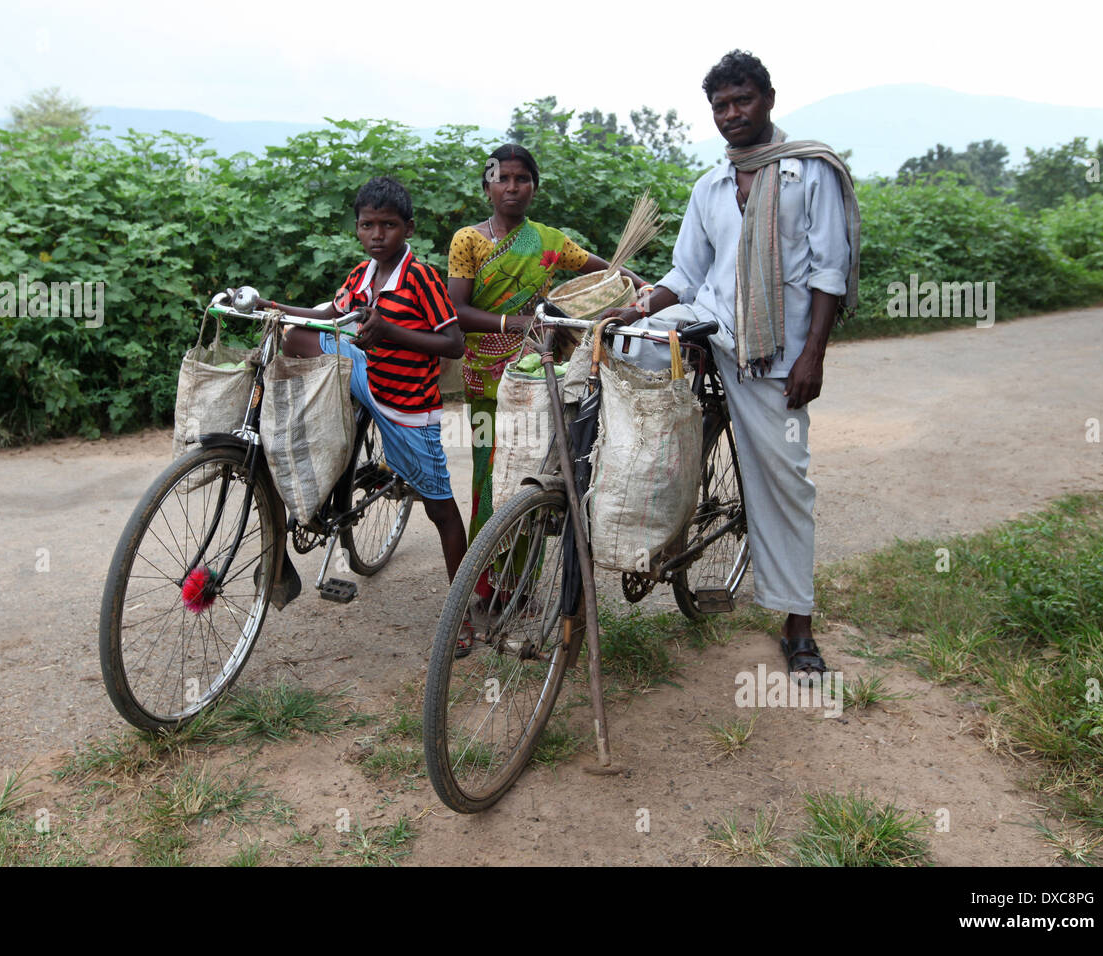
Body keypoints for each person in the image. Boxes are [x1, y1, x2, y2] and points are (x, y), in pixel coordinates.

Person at [608, 50, 860, 681]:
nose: (730, 115)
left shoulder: (809, 171)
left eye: (741, 100)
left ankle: (797, 624)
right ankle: (636, 517)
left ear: (768, 99)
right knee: (619, 358)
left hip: (776, 353)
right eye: (720, 105)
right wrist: (640, 305)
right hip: (713, 326)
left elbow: (830, 270)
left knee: (784, 483)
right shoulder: (711, 186)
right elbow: (687, 273)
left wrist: (813, 355)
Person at [447, 143, 645, 551]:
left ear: (535, 188)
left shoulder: (549, 241)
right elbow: (458, 311)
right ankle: (484, 580)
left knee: (528, 470)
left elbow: (605, 268)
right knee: (488, 471)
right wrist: (515, 322)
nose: (512, 187)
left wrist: (646, 287)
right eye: (502, 178)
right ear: (487, 188)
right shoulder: (468, 241)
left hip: (534, 375)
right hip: (484, 377)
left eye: (523, 179)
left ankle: (519, 585)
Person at [275, 176, 468, 583]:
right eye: (367, 225)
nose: (377, 235)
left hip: (406, 405)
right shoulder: (363, 273)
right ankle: (331, 435)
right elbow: (331, 315)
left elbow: (453, 344)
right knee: (296, 336)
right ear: (357, 228)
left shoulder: (420, 278)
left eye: (388, 225)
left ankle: (463, 608)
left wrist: (391, 332)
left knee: (440, 510)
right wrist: (271, 306)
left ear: (408, 229)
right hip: (366, 373)